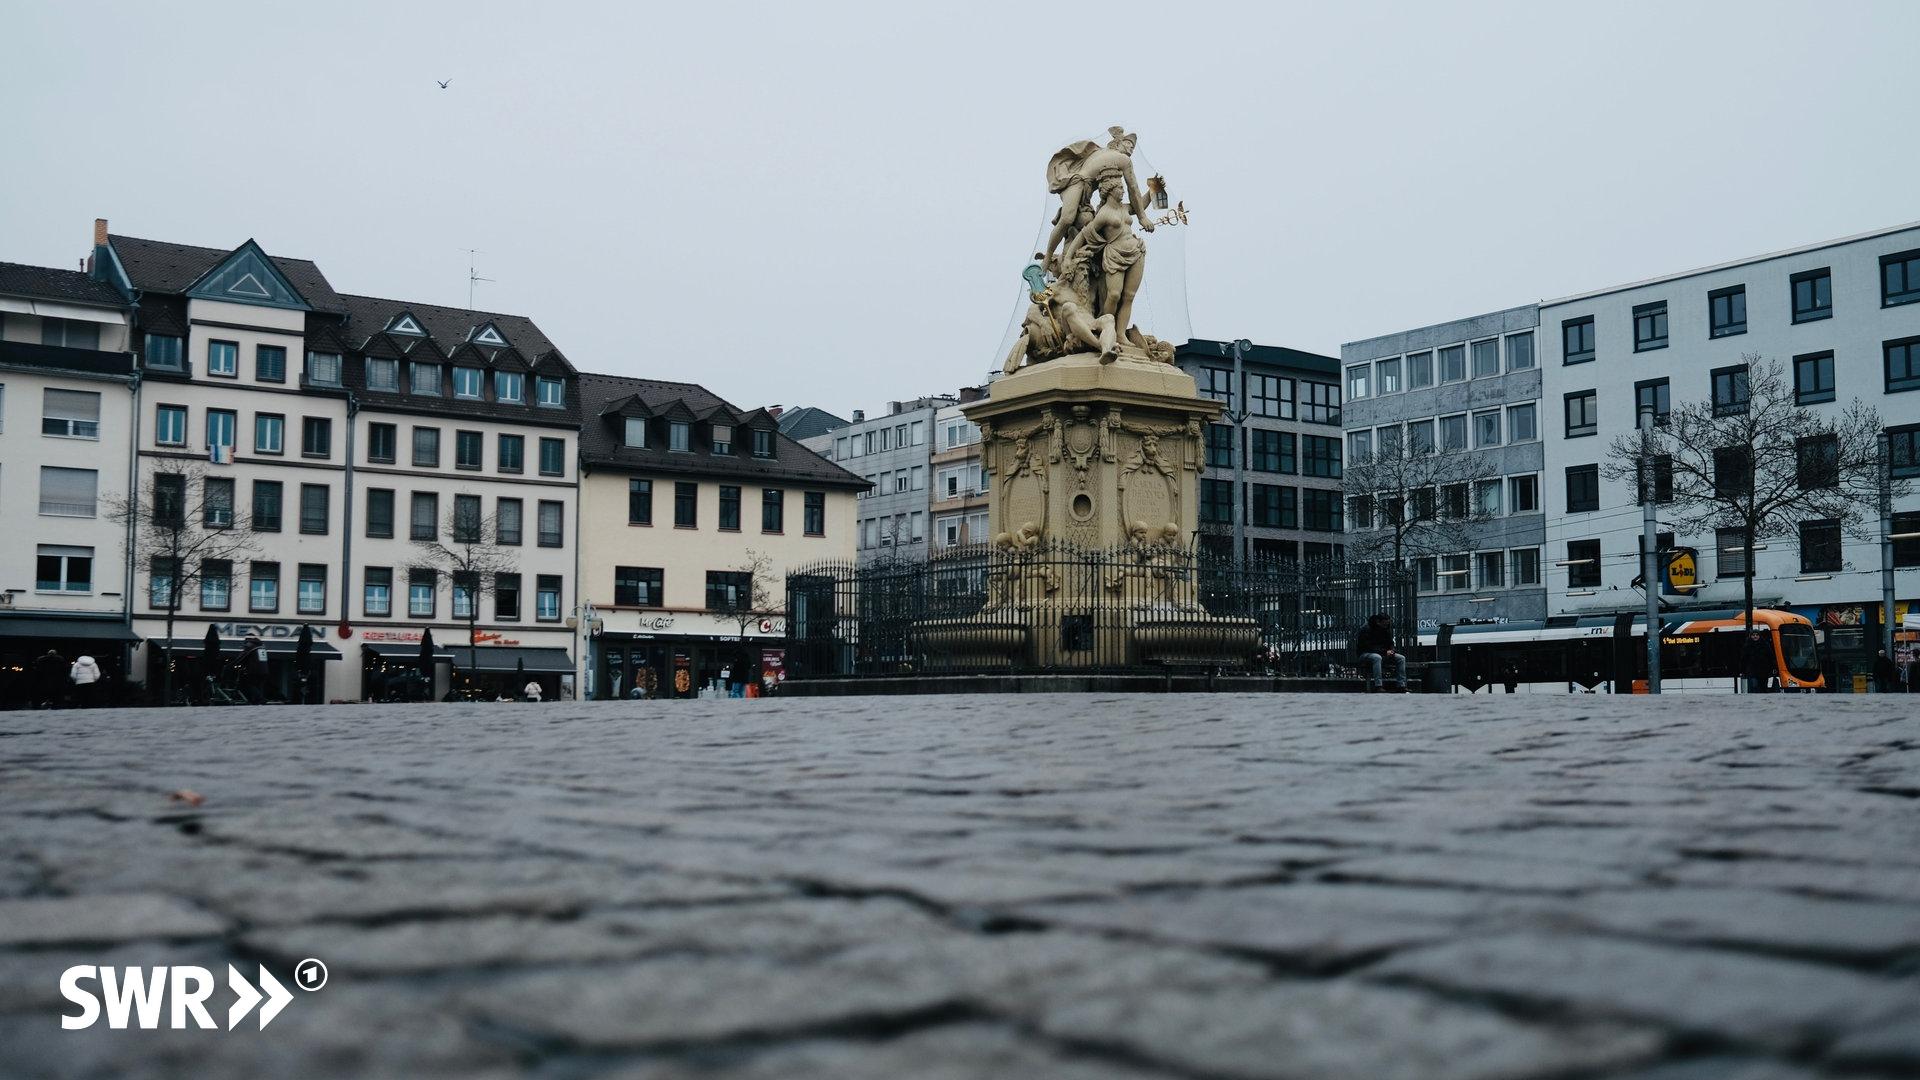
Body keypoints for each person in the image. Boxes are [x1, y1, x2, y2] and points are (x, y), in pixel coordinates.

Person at [1354, 612, 1408, 692]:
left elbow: (1390, 643)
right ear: (1378, 622)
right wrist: (1385, 652)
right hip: (1365, 654)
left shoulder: (1385, 628)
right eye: (1384, 624)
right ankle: (1378, 685)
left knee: (1401, 658)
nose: (1386, 626)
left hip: (1383, 652)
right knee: (1377, 657)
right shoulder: (1366, 629)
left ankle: (1401, 685)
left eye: (1387, 624)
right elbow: (1368, 647)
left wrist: (1392, 650)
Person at [236, 636, 268, 704]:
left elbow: (241, 659)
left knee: (249, 685)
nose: (246, 644)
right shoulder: (262, 649)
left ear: (251, 643)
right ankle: (257, 700)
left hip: (254, 671)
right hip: (264, 671)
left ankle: (260, 699)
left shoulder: (251, 649)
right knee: (258, 685)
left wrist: (232, 664)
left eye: (247, 642)